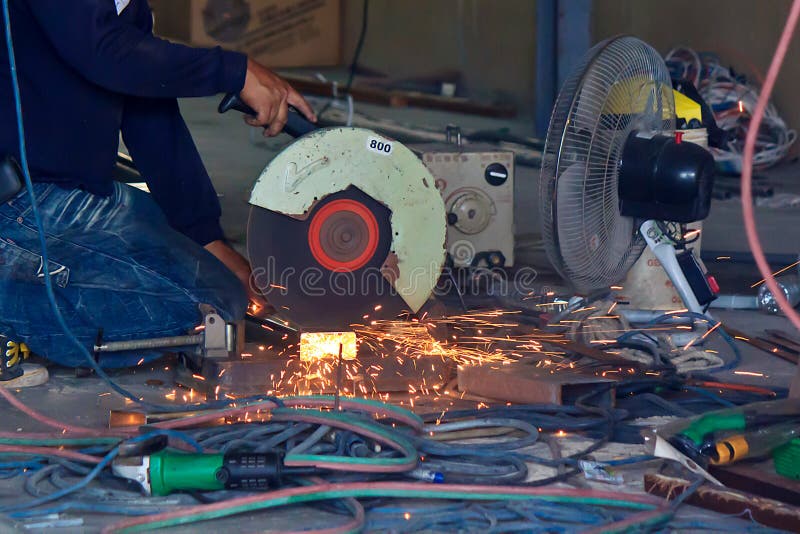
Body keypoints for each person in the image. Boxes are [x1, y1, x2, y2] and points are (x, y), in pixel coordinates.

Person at [0, 0, 316, 379]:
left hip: (79, 194)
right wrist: (236, 72)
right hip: (20, 202)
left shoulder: (127, 6)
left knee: (224, 298)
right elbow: (100, 51)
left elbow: (147, 111)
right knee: (201, 309)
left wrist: (208, 240)